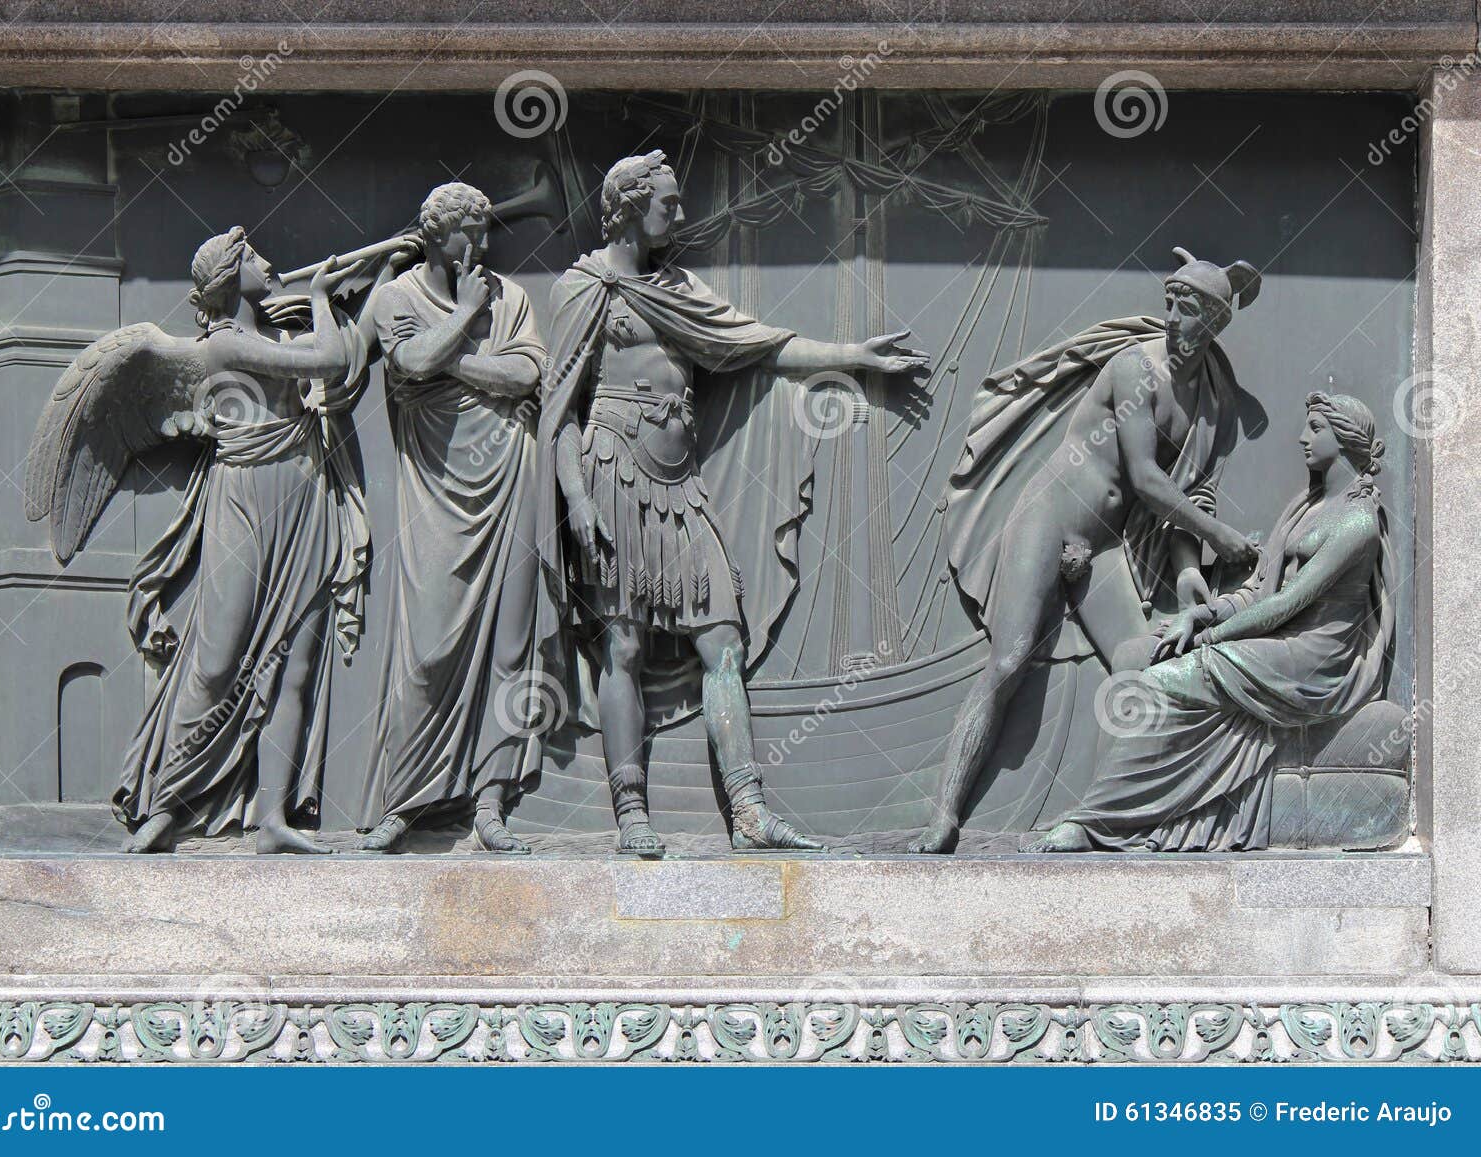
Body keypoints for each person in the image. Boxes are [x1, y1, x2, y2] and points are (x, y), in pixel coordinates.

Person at [537, 150, 930, 855]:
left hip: (680, 482)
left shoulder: (680, 289)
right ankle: (631, 812)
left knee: (723, 637)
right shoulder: (583, 288)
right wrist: (575, 497)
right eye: (668, 203)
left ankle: (749, 811)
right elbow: (560, 406)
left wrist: (852, 356)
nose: (680, 214)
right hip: (610, 471)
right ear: (630, 207)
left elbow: (761, 347)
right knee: (623, 643)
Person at [912, 248, 1264, 854]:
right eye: (1170, 304)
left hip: (1103, 547)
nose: (1173, 318)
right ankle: (944, 815)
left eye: (1187, 309)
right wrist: (1220, 537)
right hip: (1050, 518)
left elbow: (1188, 493)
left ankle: (1107, 819)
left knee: (1138, 664)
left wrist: (1188, 573)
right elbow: (1148, 479)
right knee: (1009, 660)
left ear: (1213, 320)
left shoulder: (1209, 403)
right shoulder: (1134, 369)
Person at [1024, 392, 1394, 852]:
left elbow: (1289, 604)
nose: (1303, 437)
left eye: (1315, 428)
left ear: (1345, 439)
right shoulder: (1306, 505)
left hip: (1314, 659)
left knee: (1158, 683)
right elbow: (1261, 592)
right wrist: (1199, 615)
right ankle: (1116, 810)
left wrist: (1209, 639)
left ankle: (1100, 824)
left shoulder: (1357, 522)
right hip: (1277, 640)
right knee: (1136, 659)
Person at [114, 228, 369, 853]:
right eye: (253, 255)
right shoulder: (224, 346)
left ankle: (273, 818)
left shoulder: (270, 338)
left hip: (304, 496)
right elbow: (327, 361)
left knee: (294, 664)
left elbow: (342, 355)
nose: (268, 261)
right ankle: (167, 802)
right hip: (247, 502)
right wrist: (319, 297)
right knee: (215, 659)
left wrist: (376, 275)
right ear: (230, 277)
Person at [357, 182, 549, 854]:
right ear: (439, 233)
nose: (486, 243)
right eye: (474, 229)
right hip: (437, 488)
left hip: (510, 477)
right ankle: (406, 799)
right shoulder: (397, 297)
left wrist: (456, 361)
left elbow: (527, 374)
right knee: (427, 647)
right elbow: (409, 361)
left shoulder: (511, 297)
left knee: (509, 645)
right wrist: (466, 317)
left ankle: (490, 800)